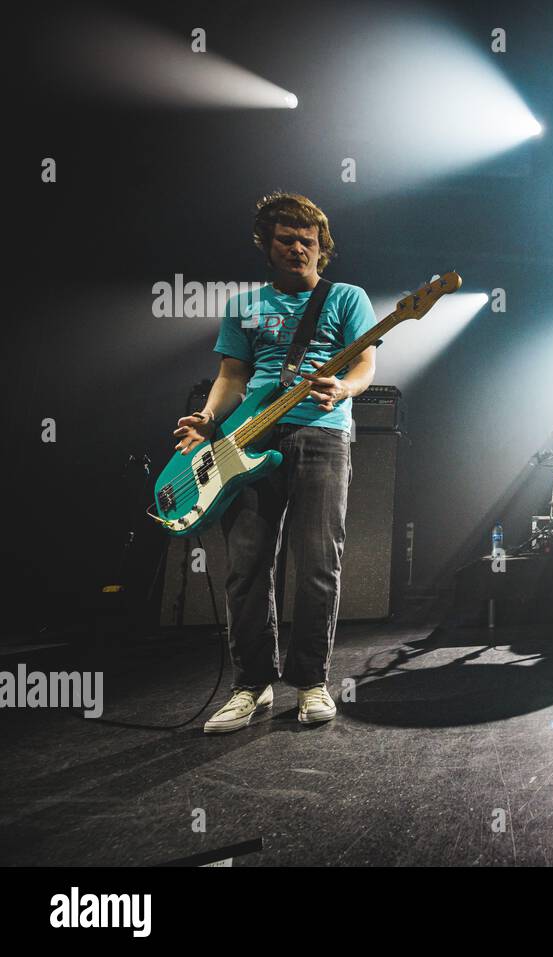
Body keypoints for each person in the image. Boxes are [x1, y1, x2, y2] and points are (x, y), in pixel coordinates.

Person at [171, 193, 377, 730]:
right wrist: (208, 421)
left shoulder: (347, 298)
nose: (298, 248)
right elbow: (232, 378)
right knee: (245, 567)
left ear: (322, 247)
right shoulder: (243, 304)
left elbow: (364, 365)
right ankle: (251, 685)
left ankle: (310, 681)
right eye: (286, 239)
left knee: (316, 564)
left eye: (308, 240)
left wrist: (344, 389)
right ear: (267, 246)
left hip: (322, 432)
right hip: (245, 439)